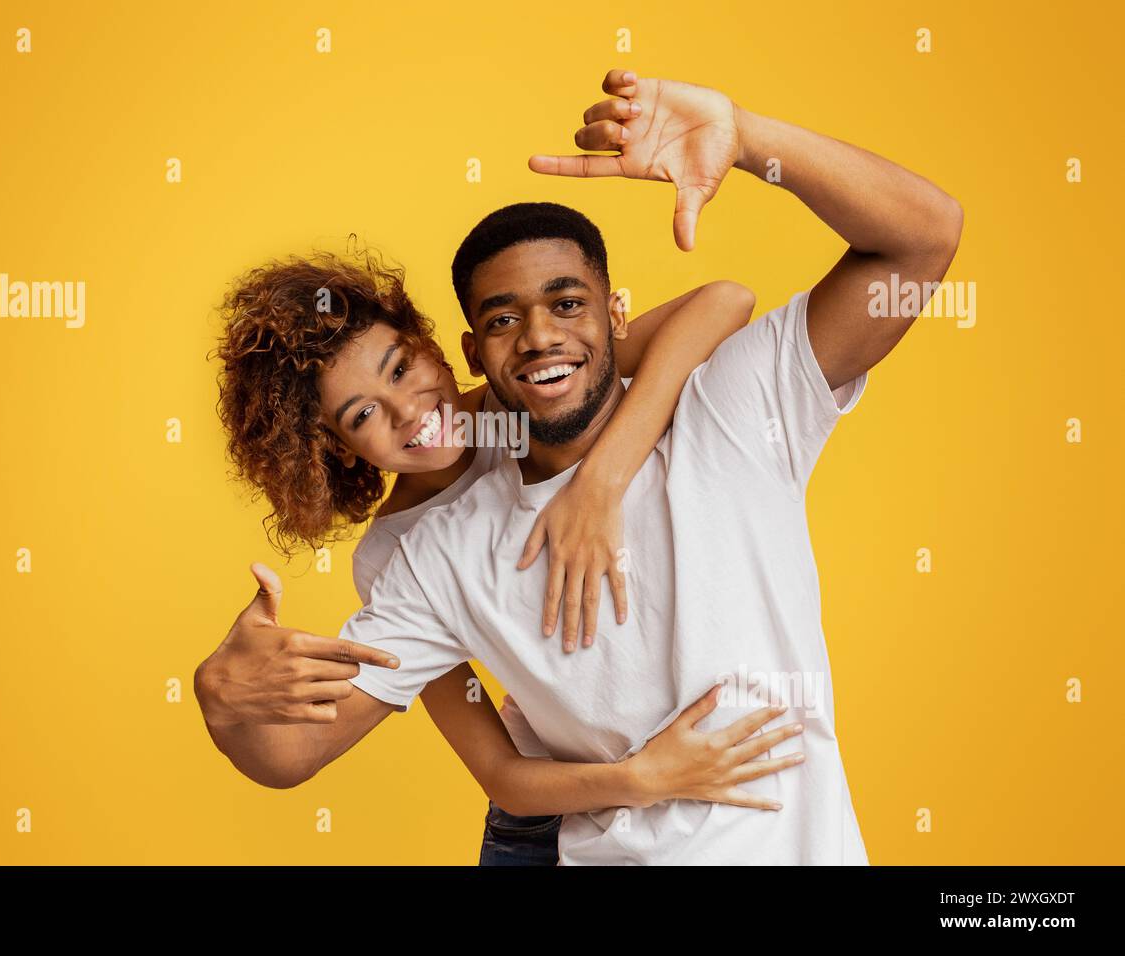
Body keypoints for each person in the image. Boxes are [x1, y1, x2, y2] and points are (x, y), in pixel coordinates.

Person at [197, 67, 963, 864]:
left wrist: (746, 139)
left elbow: (910, 241)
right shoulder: (424, 559)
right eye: (503, 320)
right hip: (561, 819)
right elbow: (326, 760)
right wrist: (218, 697)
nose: (538, 337)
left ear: (614, 312)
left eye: (567, 304)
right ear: (474, 349)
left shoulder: (729, 406)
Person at [203, 239, 786, 866]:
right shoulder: (397, 554)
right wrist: (217, 697)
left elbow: (725, 301)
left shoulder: (535, 390)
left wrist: (600, 483)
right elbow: (495, 771)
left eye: (401, 369)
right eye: (364, 413)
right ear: (338, 447)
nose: (409, 413)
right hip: (548, 813)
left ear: (435, 348)